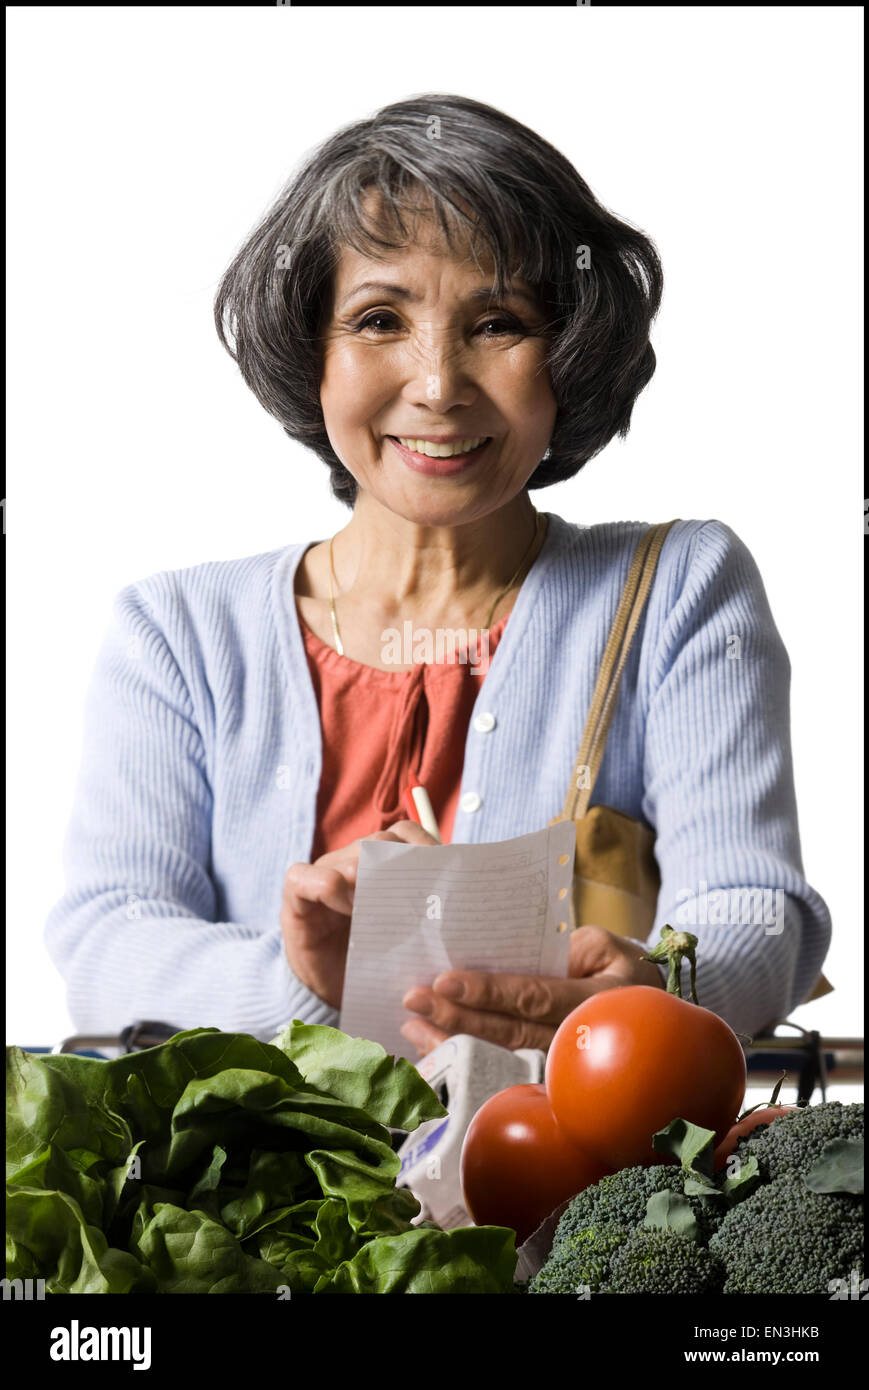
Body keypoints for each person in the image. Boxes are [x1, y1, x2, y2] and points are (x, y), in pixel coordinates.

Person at [45, 94, 831, 1053]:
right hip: (274, 1203)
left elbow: (758, 907)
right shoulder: (177, 632)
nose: (436, 384)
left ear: (568, 357)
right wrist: (302, 979)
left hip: (573, 1191)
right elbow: (104, 946)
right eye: (379, 319)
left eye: (497, 322)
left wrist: (656, 984)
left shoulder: (676, 587)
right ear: (314, 356)